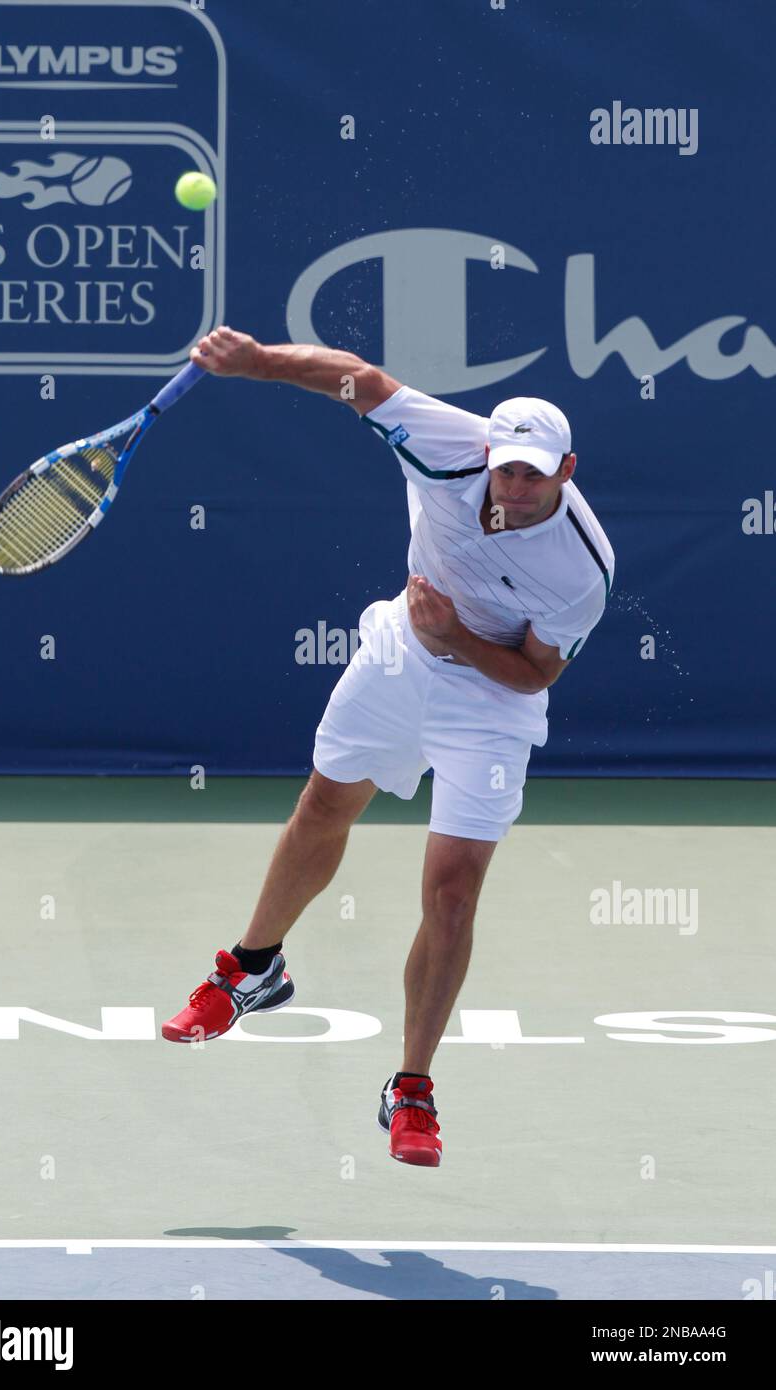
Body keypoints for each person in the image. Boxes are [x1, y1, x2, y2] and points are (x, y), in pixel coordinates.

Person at [162, 327, 615, 1168]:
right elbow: (355, 378)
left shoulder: (582, 568)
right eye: (505, 465)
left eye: (533, 472)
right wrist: (251, 360)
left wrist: (458, 641)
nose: (512, 485)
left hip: (489, 697)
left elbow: (533, 675)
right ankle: (252, 968)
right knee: (325, 804)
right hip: (401, 654)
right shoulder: (452, 447)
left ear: (565, 472)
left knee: (451, 894)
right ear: (488, 452)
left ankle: (411, 1087)